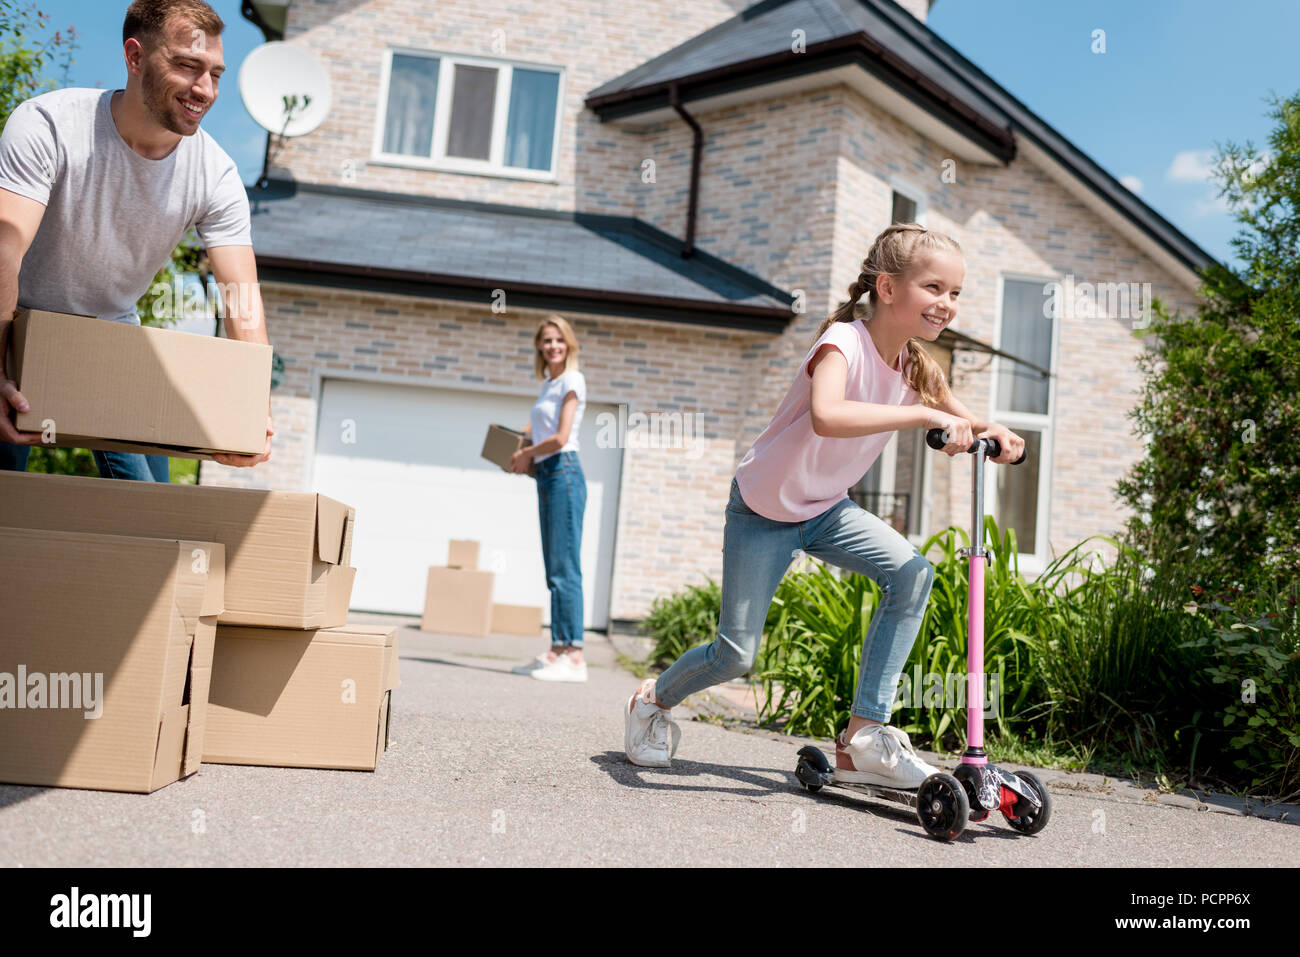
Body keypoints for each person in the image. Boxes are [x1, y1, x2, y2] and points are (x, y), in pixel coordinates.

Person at [624, 223, 1025, 781]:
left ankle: (862, 736)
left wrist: (995, 429)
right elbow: (828, 415)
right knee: (734, 655)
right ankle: (652, 701)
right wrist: (924, 415)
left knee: (912, 575)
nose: (946, 304)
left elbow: (960, 417)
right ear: (887, 288)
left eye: (955, 294)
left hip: (826, 509)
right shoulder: (842, 343)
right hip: (763, 508)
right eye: (934, 288)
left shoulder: (916, 365)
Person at [0, 0, 273, 479]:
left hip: (110, 335)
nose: (204, 89)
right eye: (187, 66)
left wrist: (251, 408)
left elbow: (240, 298)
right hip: (15, 325)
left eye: (215, 73)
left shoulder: (216, 174)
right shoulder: (49, 126)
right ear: (135, 57)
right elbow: (5, 248)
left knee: (150, 500)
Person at [509, 315, 589, 682]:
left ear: (568, 344)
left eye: (559, 340)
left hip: (564, 472)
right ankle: (557, 648)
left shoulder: (572, 379)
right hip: (547, 473)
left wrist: (527, 453)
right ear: (540, 347)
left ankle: (574, 655)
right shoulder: (549, 382)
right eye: (546, 341)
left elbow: (560, 436)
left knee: (565, 568)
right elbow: (536, 429)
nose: (553, 346)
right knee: (554, 567)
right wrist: (517, 448)